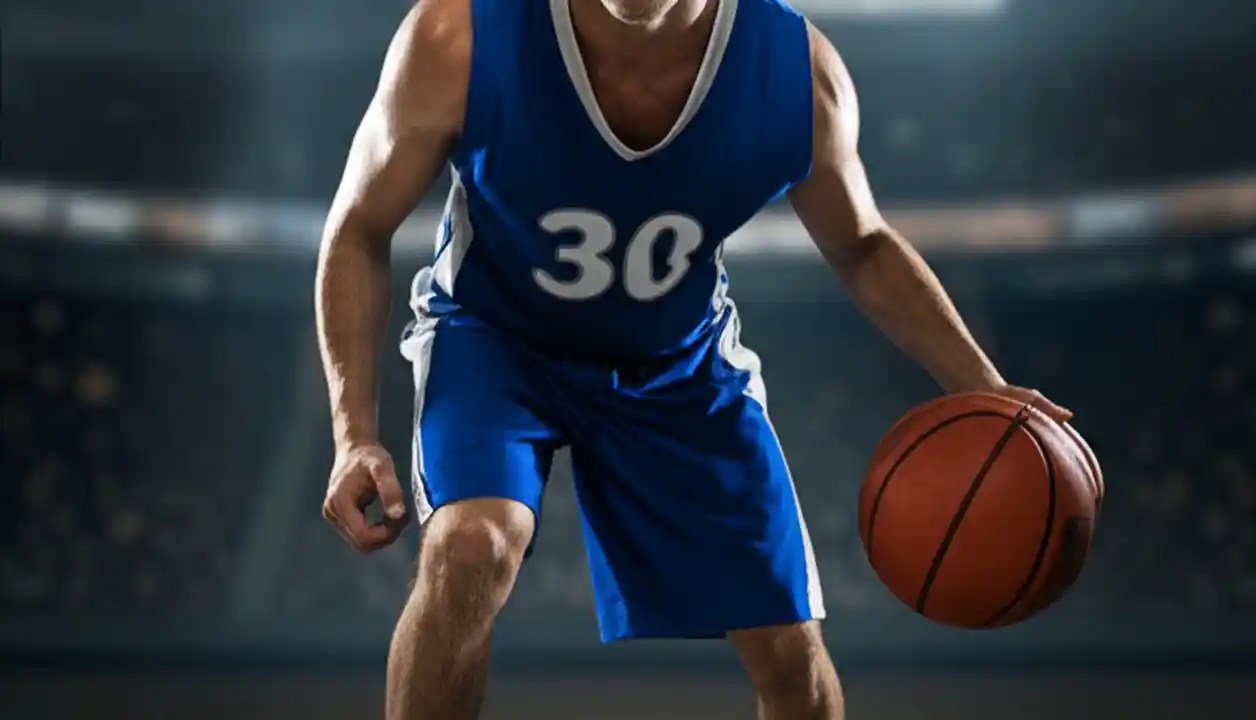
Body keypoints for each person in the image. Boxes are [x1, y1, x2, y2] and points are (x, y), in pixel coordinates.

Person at [315, 0, 1071, 717]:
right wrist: (354, 432)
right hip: (496, 337)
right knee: (470, 548)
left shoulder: (795, 72)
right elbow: (357, 229)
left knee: (789, 652)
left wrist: (987, 390)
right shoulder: (462, 35)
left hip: (674, 358)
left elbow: (862, 244)